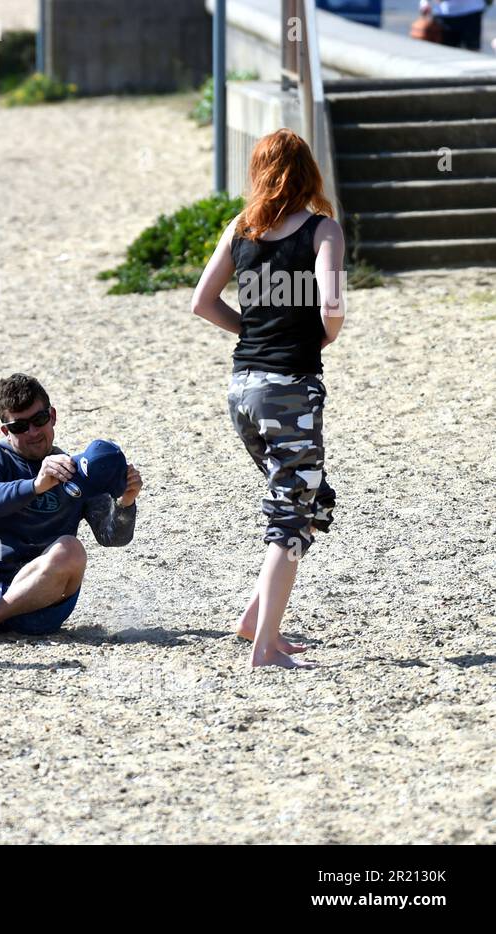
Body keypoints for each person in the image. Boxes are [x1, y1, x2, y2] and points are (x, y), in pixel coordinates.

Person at [191, 127, 345, 670]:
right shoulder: (323, 230)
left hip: (242, 391)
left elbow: (202, 303)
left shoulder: (240, 228)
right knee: (290, 514)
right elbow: (332, 309)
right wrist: (312, 339)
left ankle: (256, 618)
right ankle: (265, 648)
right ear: (309, 173)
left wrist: (252, 333)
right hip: (290, 389)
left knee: (313, 501)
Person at [0, 373, 143, 651]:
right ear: (6, 432)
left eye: (39, 420)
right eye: (19, 426)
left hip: (36, 603)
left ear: (52, 416)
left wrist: (126, 502)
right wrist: (35, 485)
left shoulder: (76, 472)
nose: (32, 432)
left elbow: (112, 537)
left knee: (71, 549)